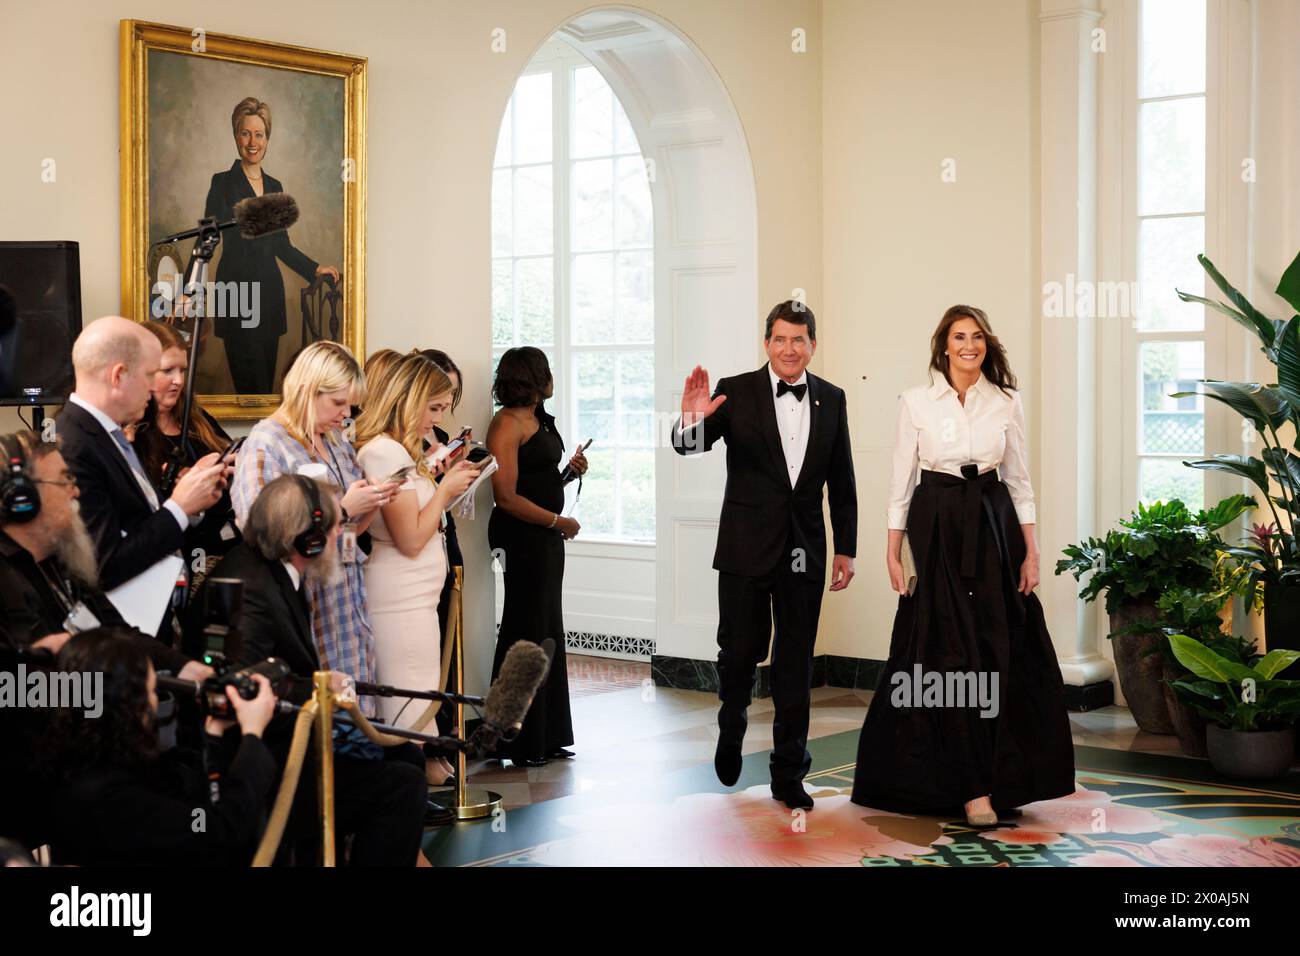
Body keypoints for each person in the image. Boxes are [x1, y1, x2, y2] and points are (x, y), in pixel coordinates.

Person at [850, 305, 1074, 826]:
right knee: (947, 655)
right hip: (937, 525)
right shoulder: (915, 401)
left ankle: (1001, 778)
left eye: (976, 337)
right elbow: (901, 482)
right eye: (958, 337)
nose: (969, 345)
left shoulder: (1006, 402)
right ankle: (970, 788)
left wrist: (1033, 551)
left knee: (997, 651)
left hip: (993, 524)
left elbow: (1019, 483)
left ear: (986, 345)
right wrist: (892, 550)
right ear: (943, 346)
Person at [671, 300, 858, 811]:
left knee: (794, 666)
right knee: (738, 657)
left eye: (799, 340)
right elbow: (689, 447)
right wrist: (689, 421)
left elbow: (842, 480)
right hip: (744, 549)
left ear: (813, 346)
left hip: (804, 551)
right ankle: (730, 727)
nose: (789, 348)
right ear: (767, 344)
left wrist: (846, 548)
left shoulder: (833, 399)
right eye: (780, 339)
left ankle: (788, 773)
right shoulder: (737, 389)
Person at [191, 475, 429, 866]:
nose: (342, 534)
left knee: (405, 756)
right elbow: (240, 687)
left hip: (287, 738)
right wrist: (317, 689)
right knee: (401, 785)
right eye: (337, 526)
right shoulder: (245, 585)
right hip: (259, 762)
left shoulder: (272, 571)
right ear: (309, 539)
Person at [0, 430, 211, 851]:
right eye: (64, 480)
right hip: (33, 774)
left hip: (86, 758)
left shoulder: (60, 563)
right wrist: (123, 686)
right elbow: (14, 691)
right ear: (22, 499)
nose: (76, 489)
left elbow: (116, 635)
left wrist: (182, 666)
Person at [231, 340, 399, 708]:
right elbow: (261, 537)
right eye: (338, 403)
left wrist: (371, 499)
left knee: (356, 727)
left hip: (347, 604)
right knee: (320, 727)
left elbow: (350, 531)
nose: (345, 414)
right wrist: (342, 506)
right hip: (304, 609)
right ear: (307, 389)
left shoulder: (336, 442)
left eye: (349, 405)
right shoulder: (266, 444)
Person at [42, 627, 279, 867]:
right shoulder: (116, 802)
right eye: (152, 691)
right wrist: (253, 734)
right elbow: (217, 832)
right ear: (131, 706)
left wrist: (213, 735)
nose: (155, 702)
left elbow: (193, 815)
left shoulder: (74, 766)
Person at [354, 354, 478, 776]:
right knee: (405, 717)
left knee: (418, 708)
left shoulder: (401, 451)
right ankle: (405, 825)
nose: (437, 420)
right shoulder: (384, 453)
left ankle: (409, 822)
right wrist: (444, 491)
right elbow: (408, 538)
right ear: (407, 401)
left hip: (415, 601)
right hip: (399, 602)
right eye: (434, 408)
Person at [56, 317, 231, 606]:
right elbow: (105, 566)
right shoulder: (74, 446)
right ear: (119, 376)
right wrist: (180, 506)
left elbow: (140, 520)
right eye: (150, 375)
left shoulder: (111, 432)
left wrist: (194, 500)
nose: (154, 388)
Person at [485, 347, 585, 767]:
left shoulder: (538, 419)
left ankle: (548, 733)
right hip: (524, 537)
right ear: (533, 376)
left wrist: (570, 473)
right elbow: (506, 497)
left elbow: (540, 478)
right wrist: (556, 522)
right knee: (525, 629)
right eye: (547, 371)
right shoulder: (505, 424)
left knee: (548, 627)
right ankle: (515, 738)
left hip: (545, 536)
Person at [203, 97, 340, 394]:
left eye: (259, 134)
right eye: (245, 133)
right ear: (236, 135)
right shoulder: (221, 183)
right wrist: (189, 289)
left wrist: (315, 268)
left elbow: (281, 245)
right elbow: (209, 239)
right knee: (248, 389)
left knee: (265, 391)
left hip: (269, 296)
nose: (252, 142)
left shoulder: (275, 186)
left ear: (267, 138)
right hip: (236, 294)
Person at [132, 321, 240, 581]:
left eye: (183, 370)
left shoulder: (196, 420)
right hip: (170, 569)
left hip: (225, 556)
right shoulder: (132, 434)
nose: (178, 380)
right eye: (167, 370)